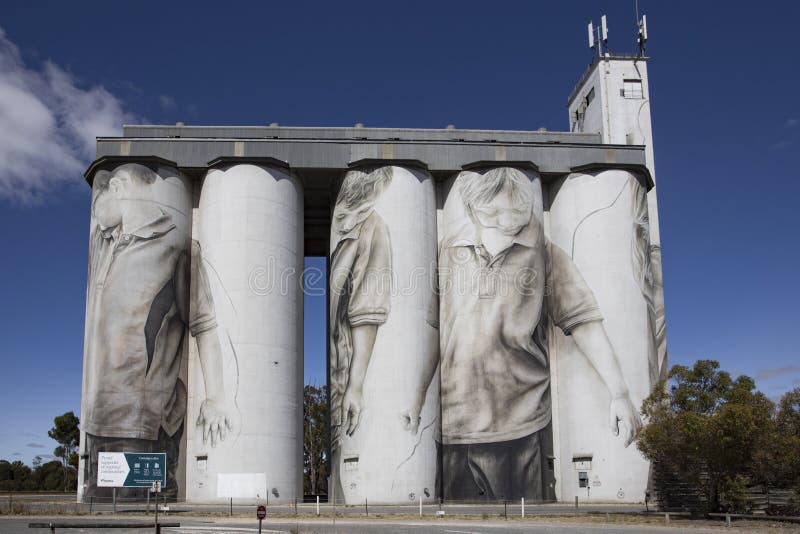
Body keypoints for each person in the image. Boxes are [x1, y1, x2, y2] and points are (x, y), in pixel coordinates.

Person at [437, 166, 642, 501]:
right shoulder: (448, 250)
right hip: (450, 424)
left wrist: (619, 393)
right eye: (492, 212)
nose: (505, 222)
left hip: (517, 424)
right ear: (473, 209)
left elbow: (584, 321)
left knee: (519, 519)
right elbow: (431, 328)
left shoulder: (544, 254)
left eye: (516, 211)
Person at [82, 163, 233, 500]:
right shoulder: (104, 241)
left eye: (97, 204)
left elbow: (204, 327)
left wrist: (215, 397)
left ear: (119, 188)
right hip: (96, 422)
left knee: (140, 509)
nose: (96, 216)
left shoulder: (174, 247)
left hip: (141, 426)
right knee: (101, 513)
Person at [328, 166, 393, 501]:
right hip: (335, 365)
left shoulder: (373, 228)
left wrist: (355, 386)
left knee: (340, 470)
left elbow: (366, 311)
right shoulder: (350, 223)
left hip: (340, 373)